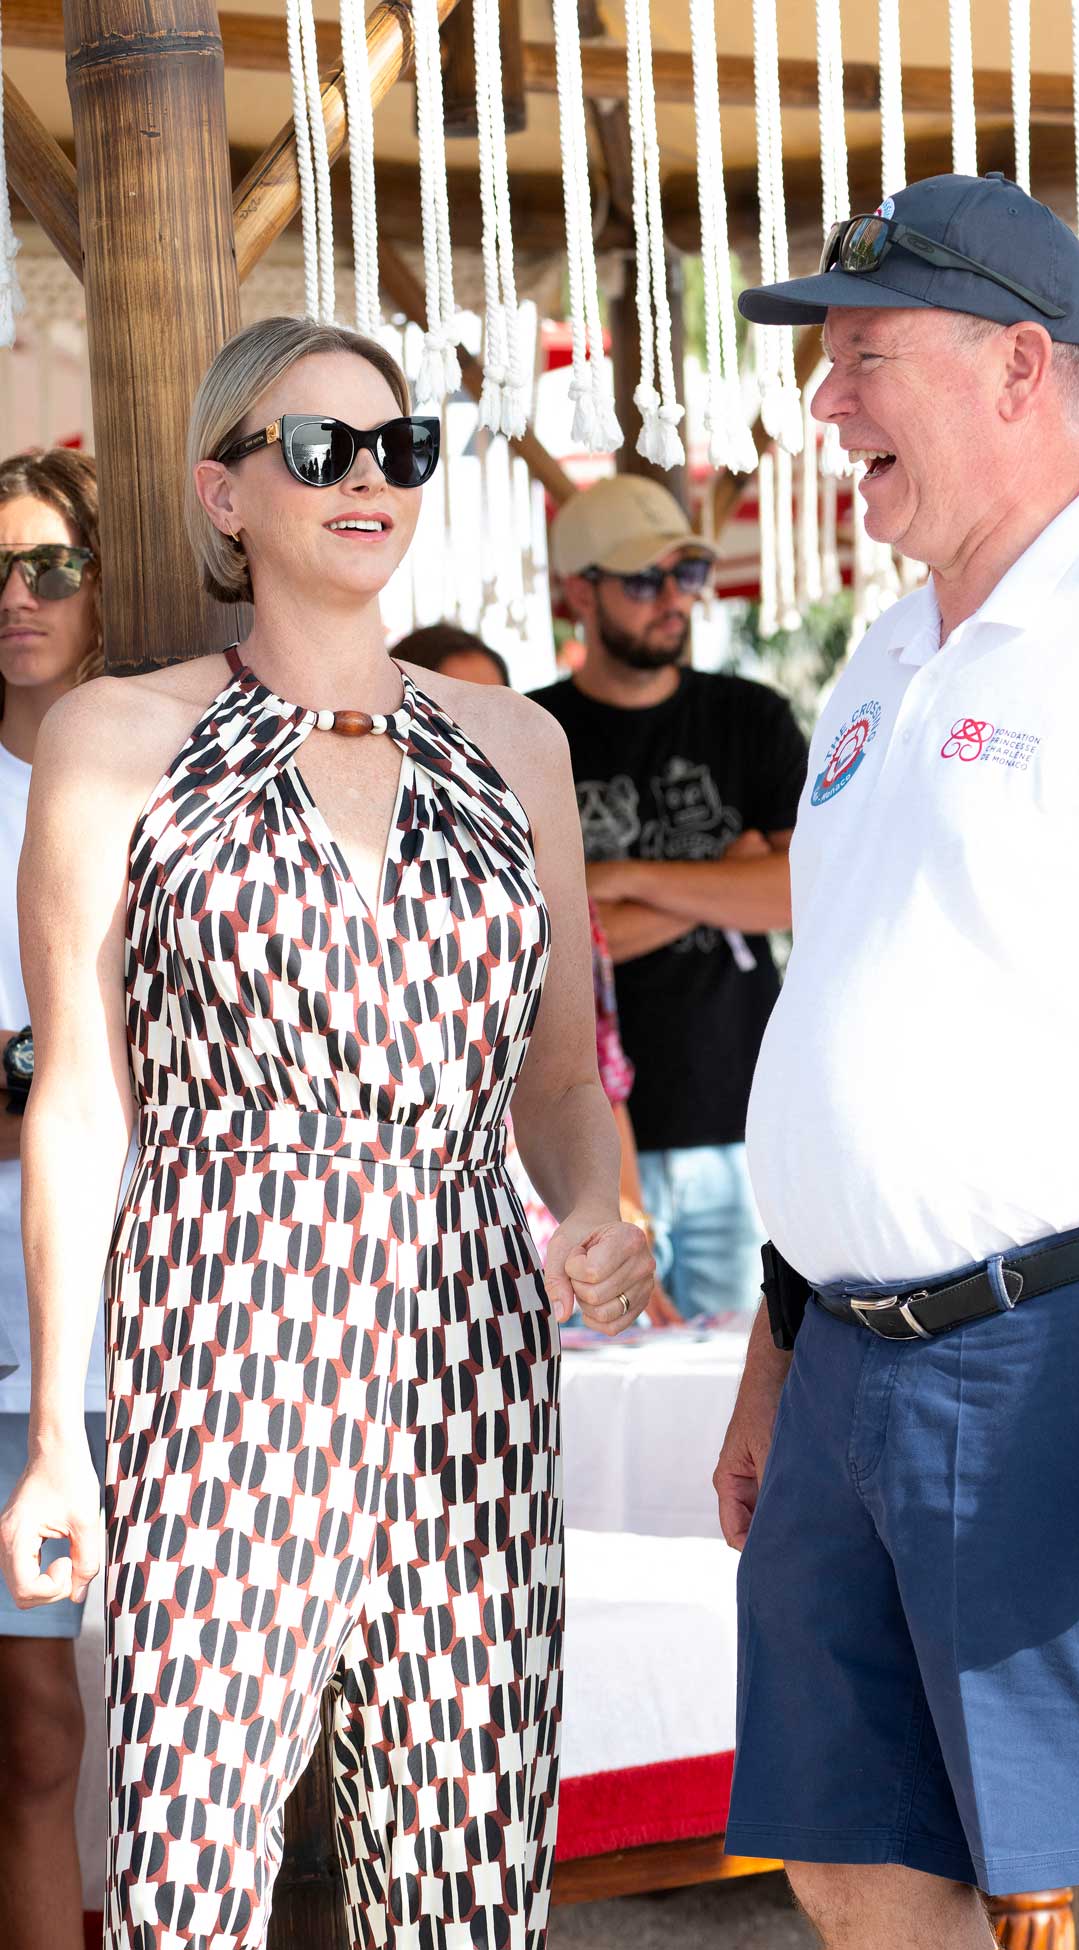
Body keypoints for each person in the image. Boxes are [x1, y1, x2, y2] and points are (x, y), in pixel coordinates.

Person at [0, 317, 654, 1950]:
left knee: (467, 1880)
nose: (370, 478)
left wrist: (606, 1205)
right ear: (224, 495)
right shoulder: (117, 742)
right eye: (320, 449)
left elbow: (563, 1081)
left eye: (399, 448)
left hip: (468, 1364)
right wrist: (62, 1436)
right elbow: (80, 1101)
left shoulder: (520, 748)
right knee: (193, 1876)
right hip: (224, 1352)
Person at [717, 171, 1079, 1950]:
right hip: (849, 1362)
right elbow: (858, 1027)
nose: (827, 405)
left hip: (1075, 1346)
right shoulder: (882, 658)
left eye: (865, 356)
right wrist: (776, 1352)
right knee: (846, 1846)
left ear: (1019, 370)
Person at [533, 475, 807, 1320]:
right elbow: (553, 942)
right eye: (643, 580)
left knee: (740, 1391)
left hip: (742, 1121)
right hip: (582, 1148)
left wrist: (620, 879)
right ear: (580, 590)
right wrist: (726, 882)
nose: (674, 601)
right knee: (605, 1403)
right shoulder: (532, 734)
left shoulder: (750, 716)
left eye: (686, 577)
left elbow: (801, 893)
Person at [392, 619, 682, 1327]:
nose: (486, 728)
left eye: (501, 704)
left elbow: (590, 1081)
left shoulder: (545, 888)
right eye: (459, 704)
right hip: (391, 1241)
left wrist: (617, 1224)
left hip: (542, 1246)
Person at [0, 449, 105, 1950]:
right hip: (10, 1307)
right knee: (33, 1727)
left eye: (48, 566)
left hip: (171, 1280)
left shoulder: (162, 776)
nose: (16, 598)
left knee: (186, 1728)